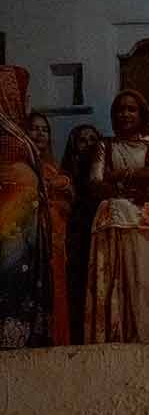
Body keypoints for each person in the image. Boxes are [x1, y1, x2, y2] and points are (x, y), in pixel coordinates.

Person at [84, 90, 149, 344]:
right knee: (119, 278)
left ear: (141, 114)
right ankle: (118, 333)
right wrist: (132, 184)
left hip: (146, 221)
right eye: (120, 110)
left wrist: (118, 176)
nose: (125, 114)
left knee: (145, 277)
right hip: (116, 223)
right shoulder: (105, 146)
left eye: (131, 109)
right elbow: (95, 183)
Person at [0, 66, 52, 348]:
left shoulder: (19, 137)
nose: (26, 102)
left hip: (23, 228)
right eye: (21, 95)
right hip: (9, 228)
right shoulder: (7, 137)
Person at [27, 112, 73, 345]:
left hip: (55, 239)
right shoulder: (21, 168)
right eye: (34, 128)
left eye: (44, 130)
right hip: (29, 237)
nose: (40, 134)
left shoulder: (55, 169)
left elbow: (68, 205)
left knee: (56, 285)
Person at [62, 124, 101, 343]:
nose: (88, 144)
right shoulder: (67, 174)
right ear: (74, 146)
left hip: (98, 234)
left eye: (93, 139)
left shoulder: (103, 172)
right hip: (75, 237)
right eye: (83, 140)